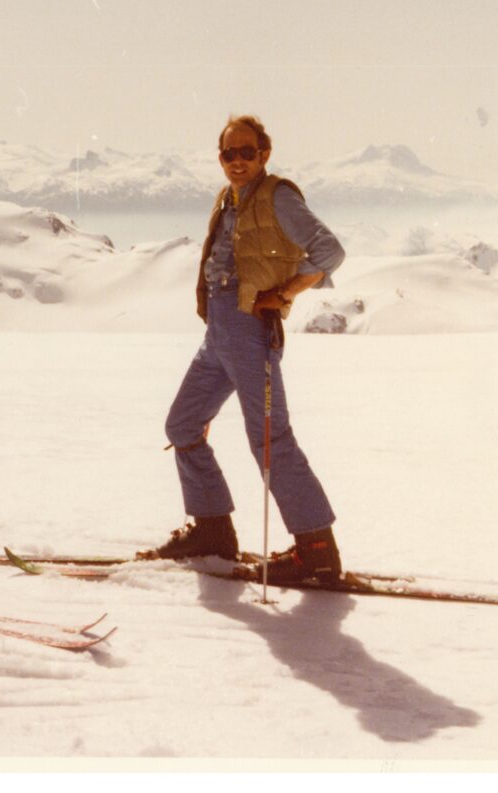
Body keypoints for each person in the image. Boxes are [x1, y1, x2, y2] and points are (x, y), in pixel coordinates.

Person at [139, 115, 346, 583]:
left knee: (272, 441)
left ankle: (316, 551)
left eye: (246, 152)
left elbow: (329, 251)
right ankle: (212, 530)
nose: (237, 161)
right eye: (228, 153)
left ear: (264, 154)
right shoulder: (228, 198)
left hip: (249, 331)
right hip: (218, 333)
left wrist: (288, 291)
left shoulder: (278, 196)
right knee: (183, 423)